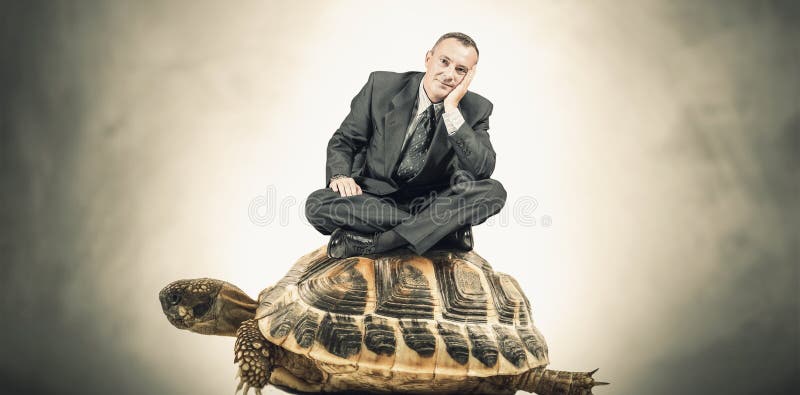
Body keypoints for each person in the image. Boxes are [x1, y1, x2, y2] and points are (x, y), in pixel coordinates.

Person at [305, 32, 506, 259]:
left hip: (431, 202)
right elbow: (345, 140)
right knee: (317, 205)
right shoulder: (380, 86)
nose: (450, 75)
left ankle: (382, 242)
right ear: (428, 58)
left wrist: (452, 110)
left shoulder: (477, 109)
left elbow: (482, 170)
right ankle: (442, 234)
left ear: (470, 76)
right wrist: (340, 175)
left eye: (461, 70)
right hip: (375, 200)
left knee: (493, 192)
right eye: (444, 62)